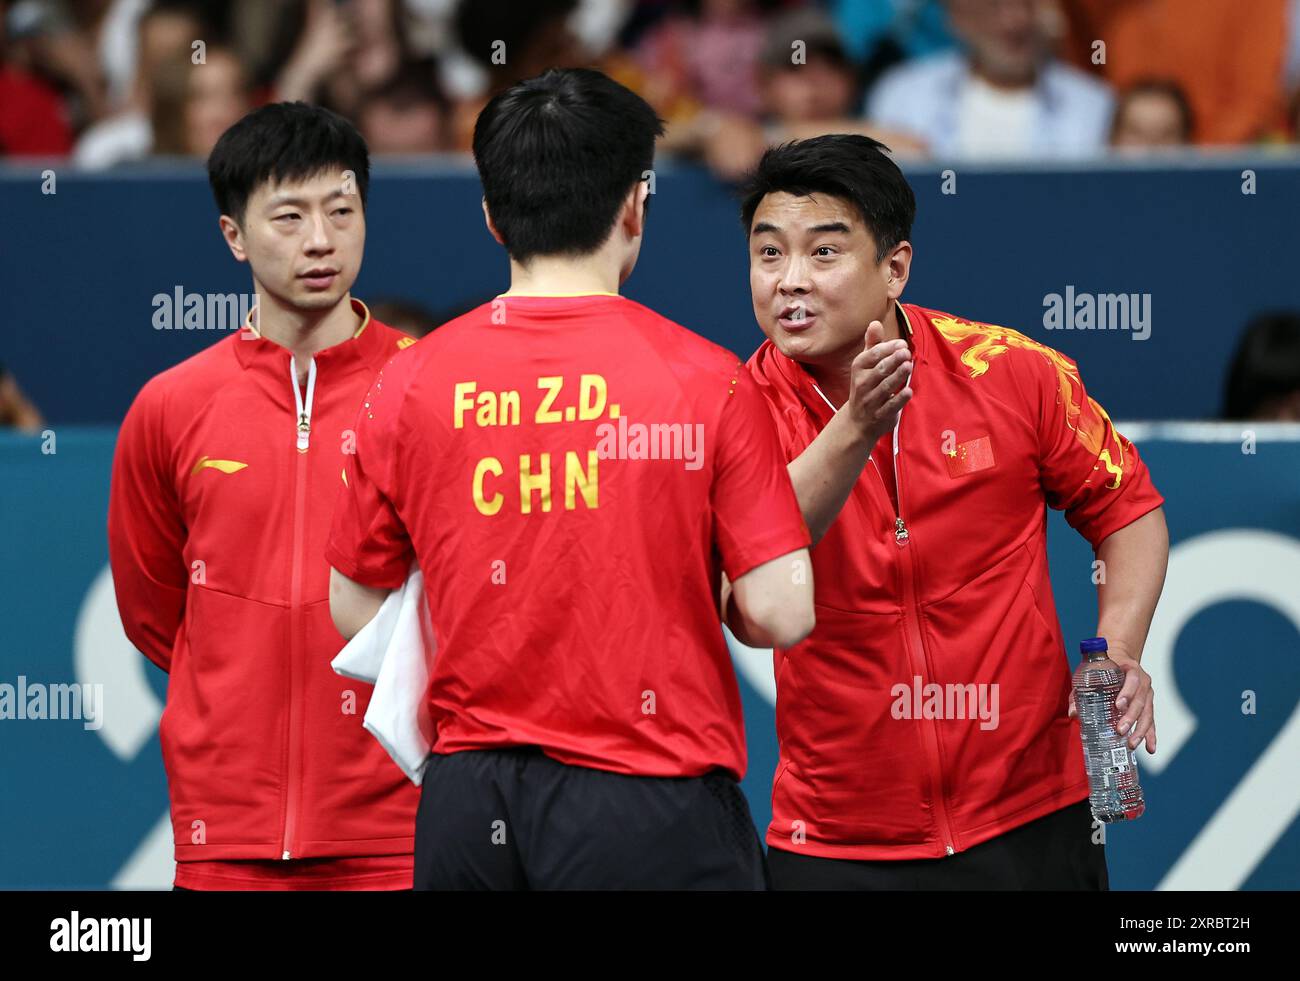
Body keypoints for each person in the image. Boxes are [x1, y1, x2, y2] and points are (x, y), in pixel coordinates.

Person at [327, 67, 815, 890]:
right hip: (650, 798)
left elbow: (352, 604)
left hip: (467, 807)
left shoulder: (407, 380)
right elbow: (780, 610)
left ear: (492, 215)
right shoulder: (707, 378)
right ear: (635, 207)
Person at [738, 134, 1168, 889]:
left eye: (824, 253)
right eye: (769, 254)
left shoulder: (1013, 372)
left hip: (1031, 814)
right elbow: (754, 570)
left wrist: (1122, 646)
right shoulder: (733, 410)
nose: (790, 280)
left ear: (895, 268)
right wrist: (856, 427)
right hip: (837, 838)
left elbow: (1126, 507)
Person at [108, 102, 420, 890]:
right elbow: (157, 615)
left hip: (399, 830)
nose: (321, 240)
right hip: (225, 835)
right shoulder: (170, 406)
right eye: (289, 216)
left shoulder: (432, 388)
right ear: (234, 235)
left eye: (341, 211)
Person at [866, 0, 1114, 159]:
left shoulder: (1093, 105)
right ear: (956, 15)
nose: (1014, 21)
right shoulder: (904, 96)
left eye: (1028, 4)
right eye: (994, 5)